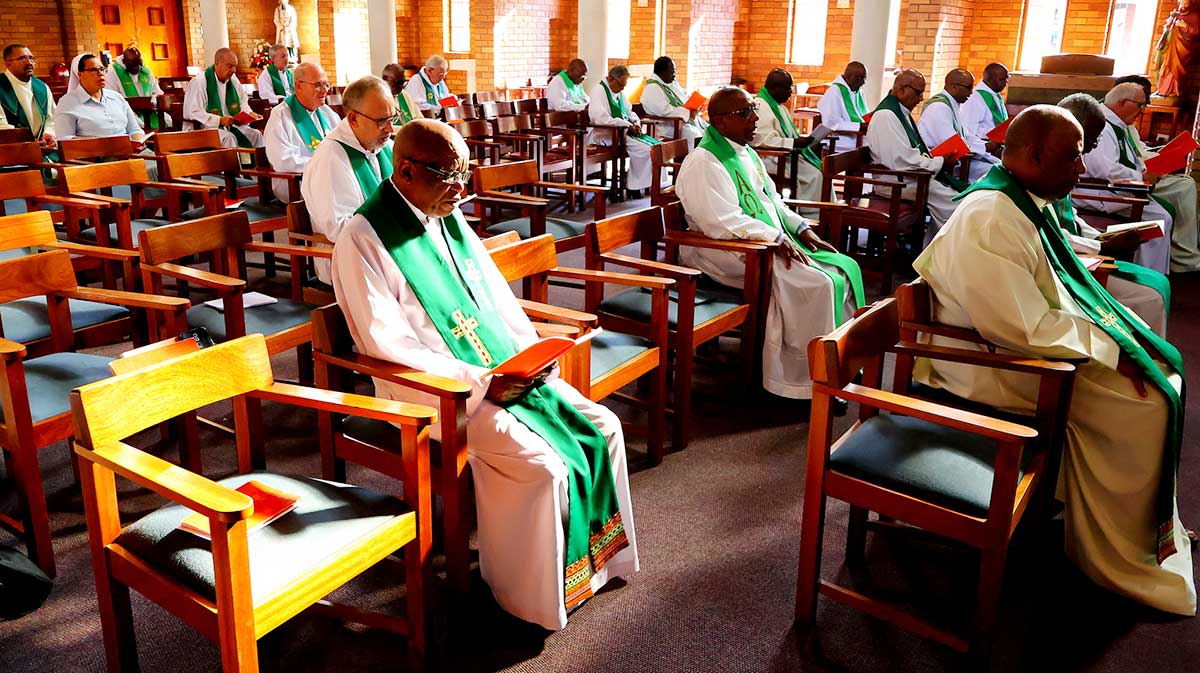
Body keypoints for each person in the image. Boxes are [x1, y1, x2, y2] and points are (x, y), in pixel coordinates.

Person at [331, 118, 639, 630]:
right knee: (543, 465)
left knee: (605, 426)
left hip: (499, 374)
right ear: (405, 170)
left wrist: (528, 354)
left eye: (465, 172)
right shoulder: (363, 236)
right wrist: (482, 384)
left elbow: (496, 303)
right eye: (448, 175)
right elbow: (384, 343)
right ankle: (528, 597)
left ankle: (596, 567)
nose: (461, 187)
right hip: (433, 391)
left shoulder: (448, 217)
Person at [912, 104, 1194, 617]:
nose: (1081, 170)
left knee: (1156, 376)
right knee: (1148, 404)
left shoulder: (1021, 200)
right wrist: (1110, 347)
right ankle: (1121, 551)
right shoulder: (991, 216)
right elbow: (1021, 326)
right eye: (1074, 158)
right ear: (1035, 156)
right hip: (986, 363)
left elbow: (1044, 298)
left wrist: (1119, 337)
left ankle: (1130, 524)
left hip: (1011, 345)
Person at [676, 87, 863, 401]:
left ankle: (837, 365)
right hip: (725, 252)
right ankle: (801, 381)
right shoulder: (704, 163)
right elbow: (720, 222)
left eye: (754, 109)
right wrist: (773, 237)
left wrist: (800, 228)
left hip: (762, 242)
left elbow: (773, 202)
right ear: (720, 123)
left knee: (842, 270)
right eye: (746, 113)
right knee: (817, 285)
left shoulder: (745, 153)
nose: (755, 119)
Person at [1056, 93, 1169, 336]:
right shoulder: (1046, 174)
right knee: (1150, 297)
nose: (1082, 166)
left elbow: (1068, 215)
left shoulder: (1059, 170)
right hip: (1059, 266)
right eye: (1090, 142)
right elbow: (1045, 233)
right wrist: (1099, 247)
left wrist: (1098, 236)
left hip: (1073, 252)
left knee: (1156, 285)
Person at [1076, 82, 1197, 273]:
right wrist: (1141, 176)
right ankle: (1147, 273)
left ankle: (1159, 272)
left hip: (1121, 188)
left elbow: (1131, 158)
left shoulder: (1119, 125)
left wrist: (1149, 171)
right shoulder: (1104, 125)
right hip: (1101, 193)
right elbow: (1105, 170)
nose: (1142, 110)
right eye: (1140, 105)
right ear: (1123, 102)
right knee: (1160, 218)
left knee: (1167, 208)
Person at [300, 75, 396, 282]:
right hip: (349, 260)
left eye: (392, 118)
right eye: (381, 121)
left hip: (385, 249)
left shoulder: (383, 146)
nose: (390, 128)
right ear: (353, 119)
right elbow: (340, 229)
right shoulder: (330, 158)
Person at [866, 68, 965, 244]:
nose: (921, 99)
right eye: (918, 93)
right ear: (902, 89)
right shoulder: (886, 116)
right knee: (954, 204)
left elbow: (911, 153)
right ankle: (937, 254)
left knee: (954, 200)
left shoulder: (900, 113)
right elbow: (899, 160)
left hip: (908, 177)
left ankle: (930, 252)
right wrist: (940, 162)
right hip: (893, 182)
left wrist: (937, 160)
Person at [263, 62, 339, 204]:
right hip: (295, 181)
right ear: (298, 86)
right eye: (317, 85)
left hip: (328, 175)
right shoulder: (280, 116)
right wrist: (323, 165)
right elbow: (282, 162)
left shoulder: (327, 113)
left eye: (326, 84)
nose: (324, 90)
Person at [588, 65, 661, 199]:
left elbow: (629, 111)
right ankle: (633, 186)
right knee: (644, 149)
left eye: (624, 86)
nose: (622, 88)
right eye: (621, 84)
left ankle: (636, 183)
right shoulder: (599, 90)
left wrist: (635, 122)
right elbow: (599, 118)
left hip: (622, 132)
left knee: (653, 147)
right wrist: (626, 124)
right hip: (607, 134)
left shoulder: (618, 92)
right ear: (611, 79)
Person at [752, 68, 822, 202]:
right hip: (771, 158)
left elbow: (788, 134)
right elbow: (762, 140)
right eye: (788, 88)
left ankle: (822, 212)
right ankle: (811, 213)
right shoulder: (760, 106)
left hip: (786, 154)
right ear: (776, 88)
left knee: (819, 171)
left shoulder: (780, 107)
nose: (791, 92)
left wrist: (800, 141)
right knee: (815, 176)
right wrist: (794, 143)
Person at [917, 68, 996, 181]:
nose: (971, 92)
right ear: (954, 87)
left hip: (962, 160)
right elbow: (953, 144)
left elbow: (966, 135)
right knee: (995, 173)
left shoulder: (953, 105)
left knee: (1000, 168)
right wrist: (985, 147)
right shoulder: (939, 107)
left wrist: (985, 145)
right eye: (968, 88)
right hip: (946, 164)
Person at [182, 48, 264, 149]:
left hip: (231, 126)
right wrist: (219, 120)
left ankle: (258, 164)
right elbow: (193, 112)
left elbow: (243, 102)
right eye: (230, 66)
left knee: (256, 135)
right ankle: (233, 165)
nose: (234, 70)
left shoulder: (233, 80)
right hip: (204, 128)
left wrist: (249, 113)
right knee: (228, 138)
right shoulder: (199, 82)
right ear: (217, 63)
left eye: (235, 66)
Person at [53, 53, 144, 143]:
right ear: (80, 75)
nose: (100, 74)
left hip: (130, 152)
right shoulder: (67, 103)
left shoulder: (117, 97)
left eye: (102, 69)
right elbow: (64, 138)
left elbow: (134, 129)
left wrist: (137, 142)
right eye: (94, 70)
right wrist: (101, 144)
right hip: (95, 155)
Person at [640, 56, 707, 144]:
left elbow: (684, 96)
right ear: (662, 72)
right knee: (694, 135)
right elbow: (664, 111)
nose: (674, 75)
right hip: (667, 126)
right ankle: (690, 158)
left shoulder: (671, 83)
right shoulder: (653, 88)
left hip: (682, 122)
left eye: (675, 71)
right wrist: (688, 113)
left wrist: (696, 105)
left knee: (709, 130)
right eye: (672, 72)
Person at [0, 44, 56, 146]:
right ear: (8, 64)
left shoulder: (42, 87)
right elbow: (1, 126)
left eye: (31, 58)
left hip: (44, 148)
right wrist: (26, 140)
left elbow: (51, 117)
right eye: (22, 58)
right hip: (11, 151)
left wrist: (49, 132)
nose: (29, 62)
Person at [105, 46, 168, 130]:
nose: (137, 68)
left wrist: (153, 100)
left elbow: (157, 91)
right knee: (137, 125)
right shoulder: (113, 72)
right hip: (128, 111)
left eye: (139, 65)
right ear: (124, 62)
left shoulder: (145, 71)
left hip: (151, 110)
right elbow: (111, 96)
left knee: (168, 121)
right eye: (133, 66)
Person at [959, 62, 1009, 163]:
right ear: (989, 79)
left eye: (1007, 78)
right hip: (982, 153)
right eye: (1002, 79)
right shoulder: (974, 98)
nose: (1006, 82)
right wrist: (990, 138)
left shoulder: (994, 94)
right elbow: (968, 130)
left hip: (997, 147)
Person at [817, 61, 868, 153]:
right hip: (840, 139)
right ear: (848, 76)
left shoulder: (859, 93)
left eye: (864, 78)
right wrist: (859, 126)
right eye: (859, 78)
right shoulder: (834, 92)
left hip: (857, 136)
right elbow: (831, 124)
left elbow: (863, 116)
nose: (863, 82)